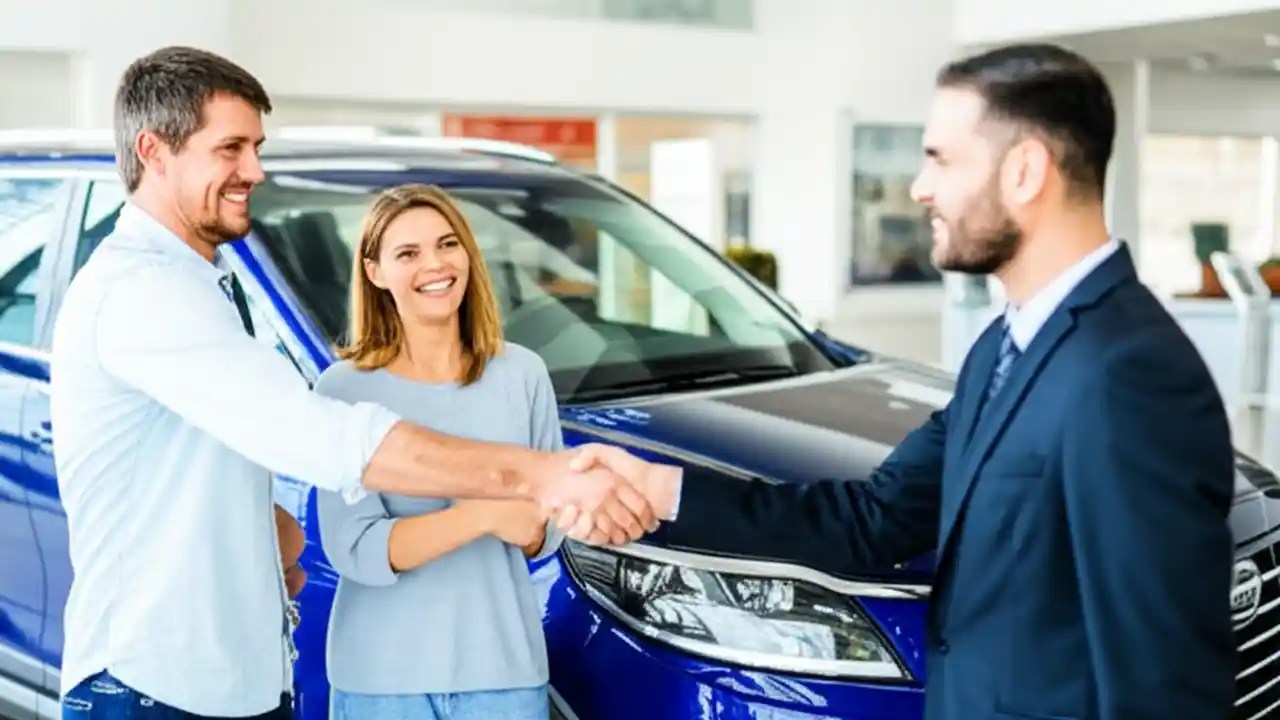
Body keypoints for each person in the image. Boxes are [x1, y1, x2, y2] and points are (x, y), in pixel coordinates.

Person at [566, 43, 1238, 720]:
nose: (920, 188)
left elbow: (1165, 685)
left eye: (940, 159)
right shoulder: (1005, 346)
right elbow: (873, 519)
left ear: (1026, 170)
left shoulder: (1131, 373)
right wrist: (661, 487)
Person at [50, 45, 666, 720]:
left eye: (255, 147)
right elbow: (318, 437)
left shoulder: (204, 286)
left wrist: (266, 537)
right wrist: (537, 477)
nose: (254, 169)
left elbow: (200, 465)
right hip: (152, 686)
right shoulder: (144, 292)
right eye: (230, 148)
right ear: (154, 150)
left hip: (230, 681)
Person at [313, 184, 564, 720]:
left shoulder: (523, 376)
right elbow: (356, 548)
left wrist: (528, 520)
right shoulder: (342, 392)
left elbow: (544, 531)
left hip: (505, 678)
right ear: (375, 271)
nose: (435, 265)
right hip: (380, 682)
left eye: (447, 244)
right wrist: (484, 514)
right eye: (408, 253)